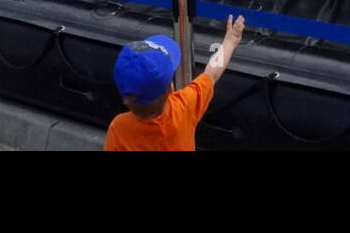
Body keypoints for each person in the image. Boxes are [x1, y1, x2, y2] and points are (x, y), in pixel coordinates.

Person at [104, 14, 246, 151]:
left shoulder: (119, 128)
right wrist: (230, 42)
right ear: (170, 88)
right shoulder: (184, 107)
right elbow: (212, 73)